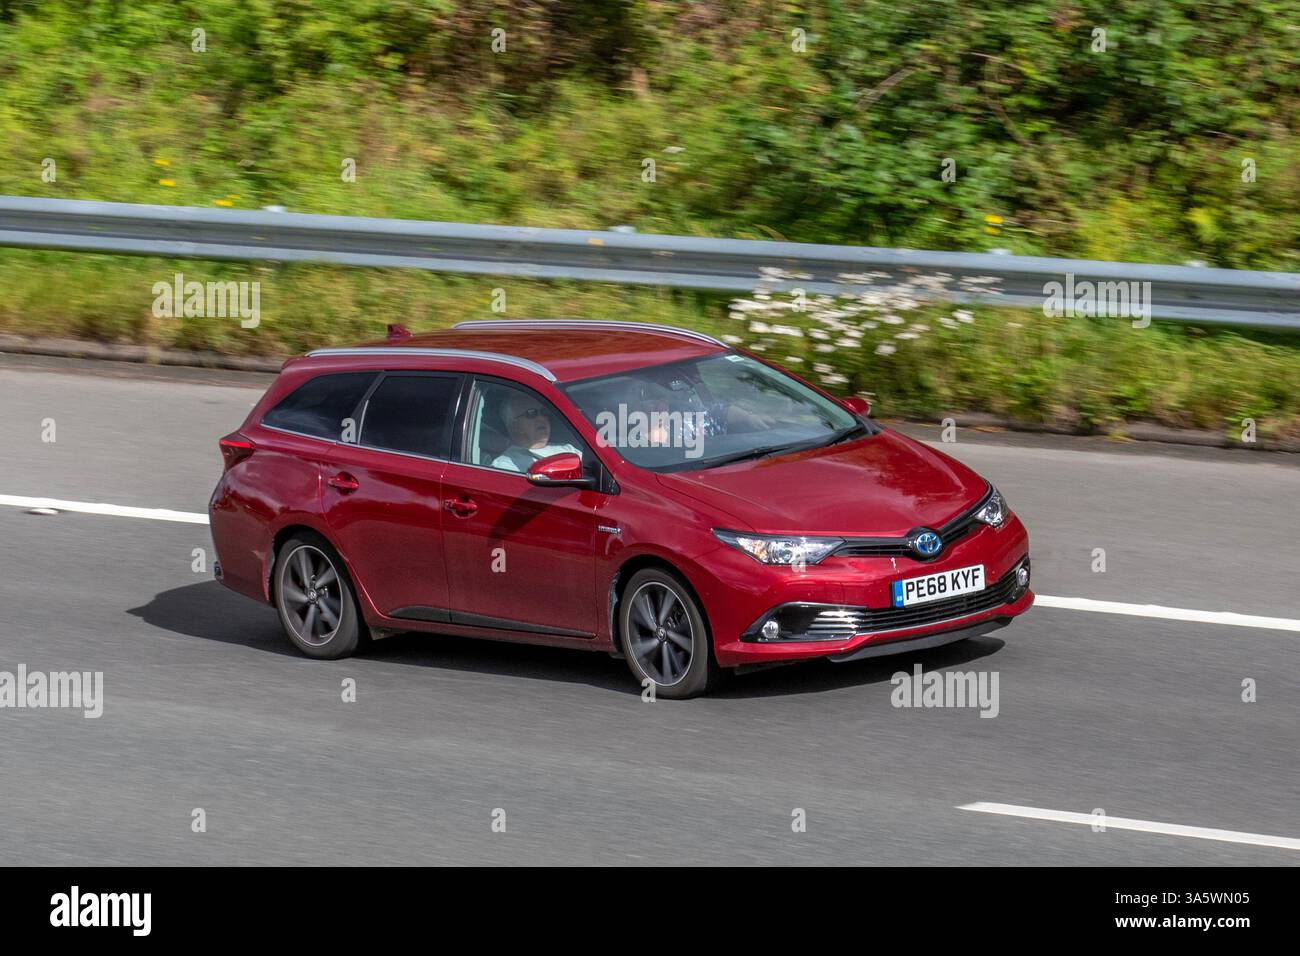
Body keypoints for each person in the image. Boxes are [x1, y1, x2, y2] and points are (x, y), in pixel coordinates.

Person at [491, 392, 582, 472]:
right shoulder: (505, 466)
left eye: (543, 412)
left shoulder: (568, 449)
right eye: (531, 413)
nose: (542, 418)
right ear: (515, 426)